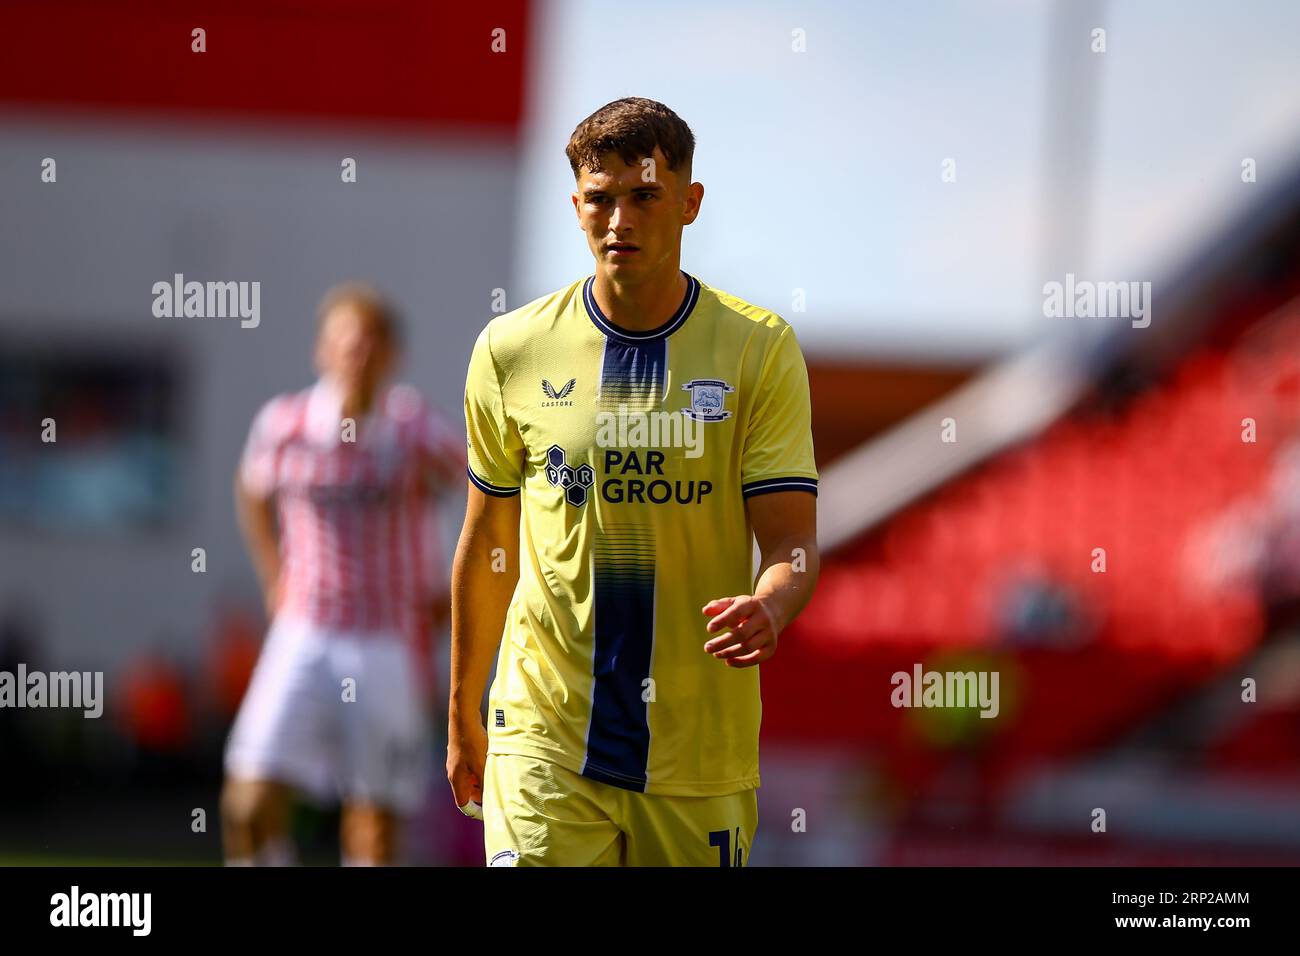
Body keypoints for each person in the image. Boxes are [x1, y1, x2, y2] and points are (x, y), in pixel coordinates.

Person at [448, 98, 820, 866]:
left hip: (696, 750)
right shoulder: (509, 349)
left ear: (688, 203)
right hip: (544, 730)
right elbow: (489, 542)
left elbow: (791, 542)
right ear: (576, 207)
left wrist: (773, 603)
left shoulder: (758, 349)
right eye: (601, 198)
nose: (620, 219)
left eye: (644, 195)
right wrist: (462, 709)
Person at [222, 282, 463, 865]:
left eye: (370, 343)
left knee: (374, 821)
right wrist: (272, 574)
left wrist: (450, 593)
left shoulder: (413, 430)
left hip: (386, 642)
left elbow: (480, 493)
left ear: (390, 355)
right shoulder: (285, 423)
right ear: (321, 351)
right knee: (248, 802)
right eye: (345, 342)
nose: (357, 354)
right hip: (304, 630)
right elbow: (251, 491)